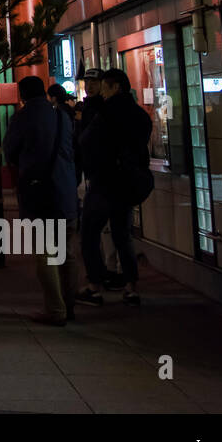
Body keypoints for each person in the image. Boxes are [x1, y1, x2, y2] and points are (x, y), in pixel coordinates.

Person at [3, 76, 79, 326]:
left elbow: (11, 151)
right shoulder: (62, 116)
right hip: (65, 190)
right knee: (67, 253)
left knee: (46, 252)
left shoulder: (23, 117)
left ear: (23, 95)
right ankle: (69, 305)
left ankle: (55, 309)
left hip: (40, 192)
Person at [76, 68, 151, 307]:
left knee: (89, 233)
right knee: (123, 235)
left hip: (104, 182)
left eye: (105, 87)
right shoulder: (140, 115)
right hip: (129, 182)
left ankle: (94, 286)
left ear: (115, 87)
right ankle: (131, 287)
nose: (103, 92)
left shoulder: (105, 113)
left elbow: (85, 142)